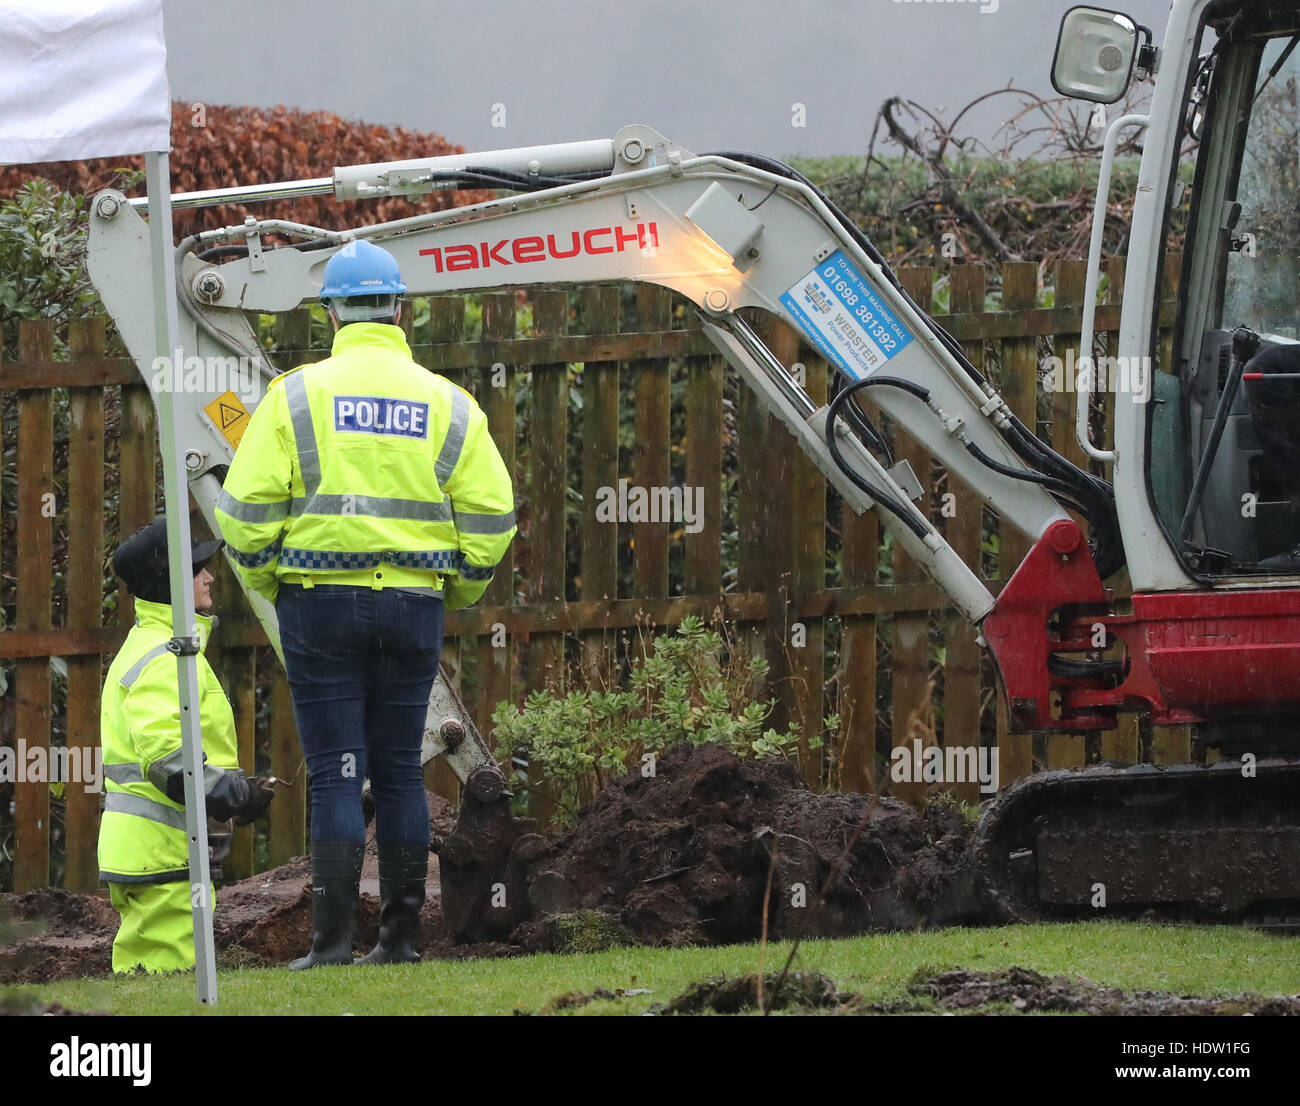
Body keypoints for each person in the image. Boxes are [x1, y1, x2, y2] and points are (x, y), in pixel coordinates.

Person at [214, 240, 517, 968]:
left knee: (337, 774)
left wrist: (270, 579)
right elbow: (492, 517)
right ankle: (403, 942)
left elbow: (244, 512)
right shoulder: (449, 402)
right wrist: (458, 586)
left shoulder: (292, 396)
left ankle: (329, 947)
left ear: (330, 314)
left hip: (318, 605)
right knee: (401, 773)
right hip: (414, 609)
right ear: (402, 310)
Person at [99, 516, 275, 973]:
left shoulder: (160, 646)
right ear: (171, 583)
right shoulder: (165, 658)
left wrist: (233, 793)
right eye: (198, 569)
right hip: (162, 852)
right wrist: (236, 796)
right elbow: (170, 761)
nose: (210, 576)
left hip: (151, 852)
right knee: (170, 982)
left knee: (147, 981)